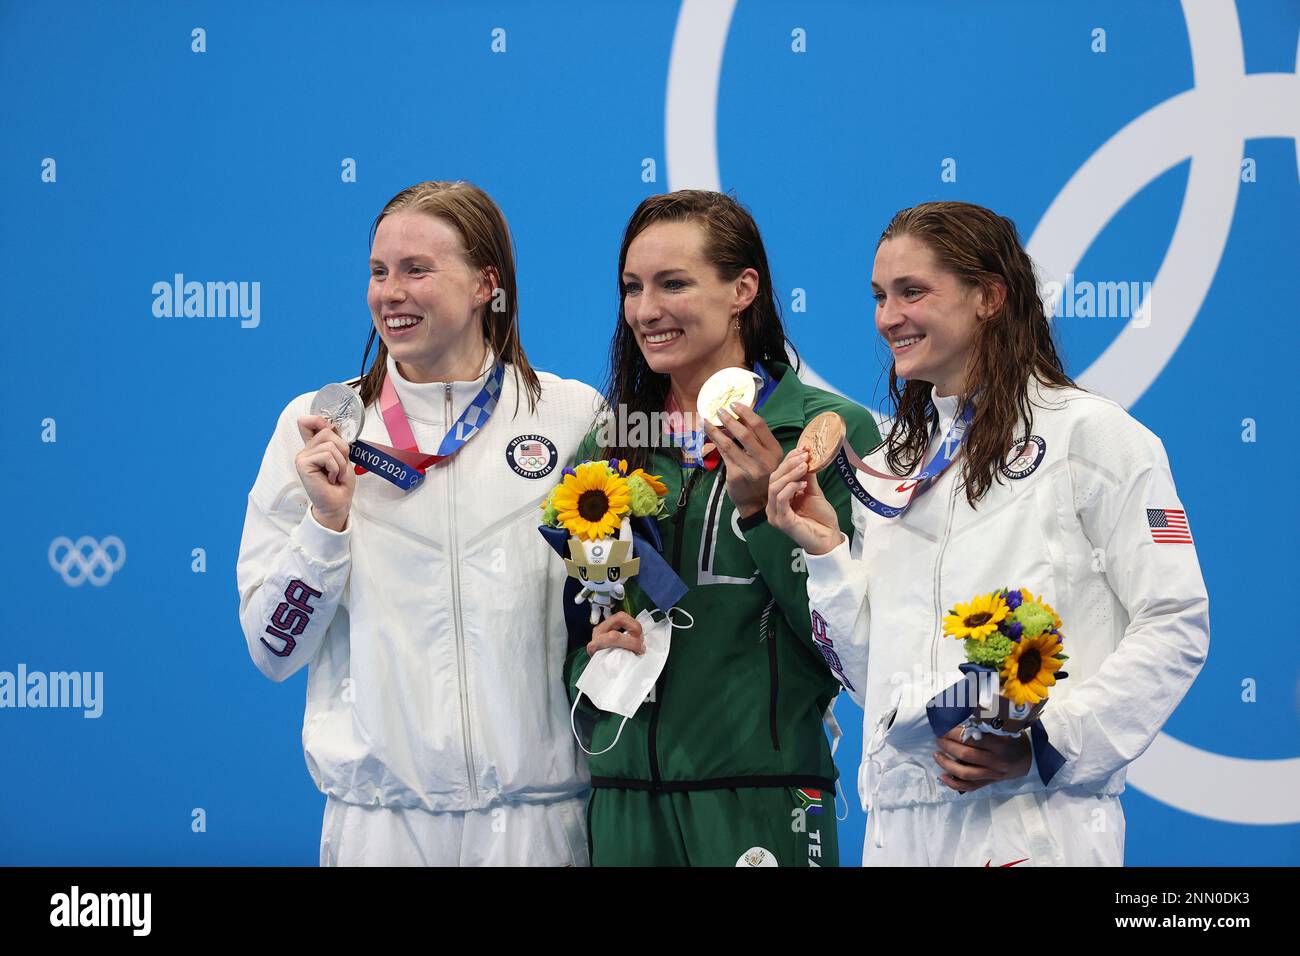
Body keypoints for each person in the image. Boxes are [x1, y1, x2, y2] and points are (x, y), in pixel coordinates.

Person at [767, 201, 1210, 866]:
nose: (888, 317)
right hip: (900, 828)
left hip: (1030, 818)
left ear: (989, 296)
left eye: (913, 292)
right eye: (880, 296)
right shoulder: (894, 470)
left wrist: (1042, 742)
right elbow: (876, 682)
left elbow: (1176, 621)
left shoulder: (1091, 438)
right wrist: (828, 553)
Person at [236, 181, 602, 866]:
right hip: (381, 827)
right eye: (378, 272)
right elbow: (271, 650)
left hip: (538, 824)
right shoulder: (316, 428)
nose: (389, 292)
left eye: (416, 270)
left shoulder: (571, 416)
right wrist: (325, 526)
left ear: (485, 284)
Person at [565, 190, 881, 867]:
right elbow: (574, 617)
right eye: (632, 287)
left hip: (760, 797)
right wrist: (587, 668)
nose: (646, 310)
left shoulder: (827, 433)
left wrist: (761, 516)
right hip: (620, 801)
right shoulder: (611, 446)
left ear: (743, 289)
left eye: (673, 283)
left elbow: (857, 646)